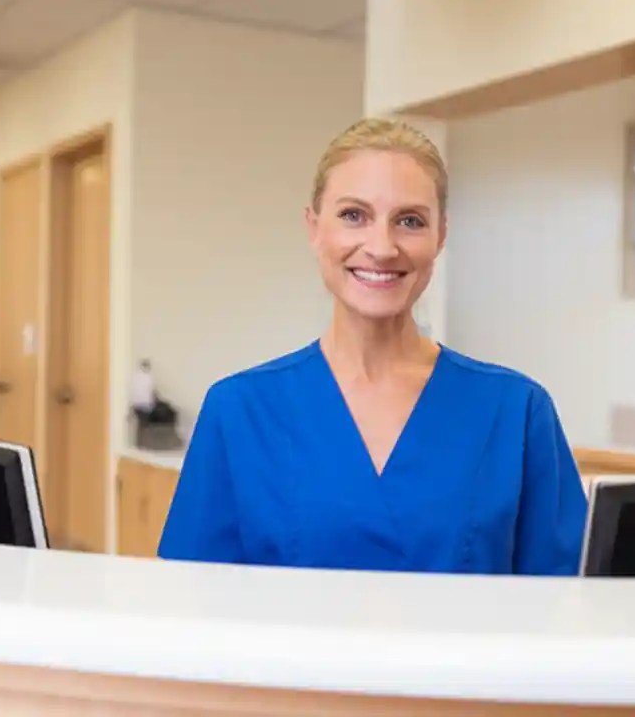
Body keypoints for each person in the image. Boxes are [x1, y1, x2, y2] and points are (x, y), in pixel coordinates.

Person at [157, 118, 588, 575]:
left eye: (409, 221)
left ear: (440, 236)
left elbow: (566, 606)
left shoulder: (516, 412)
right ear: (314, 227)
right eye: (353, 216)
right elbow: (192, 612)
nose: (381, 247)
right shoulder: (239, 411)